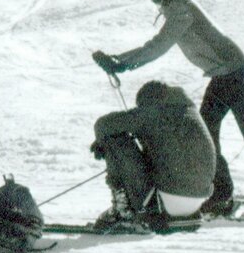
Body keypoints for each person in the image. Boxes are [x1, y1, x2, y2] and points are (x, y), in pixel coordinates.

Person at [92, 0, 244, 217]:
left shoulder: (180, 10)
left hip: (233, 75)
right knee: (210, 135)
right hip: (225, 75)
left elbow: (159, 45)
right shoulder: (176, 6)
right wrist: (120, 62)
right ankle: (224, 196)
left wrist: (121, 63)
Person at [90, 79, 217, 231]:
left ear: (148, 100)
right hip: (198, 199)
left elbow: (103, 124)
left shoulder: (152, 110)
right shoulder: (189, 110)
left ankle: (124, 211)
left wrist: (100, 142)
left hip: (170, 198)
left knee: (113, 139)